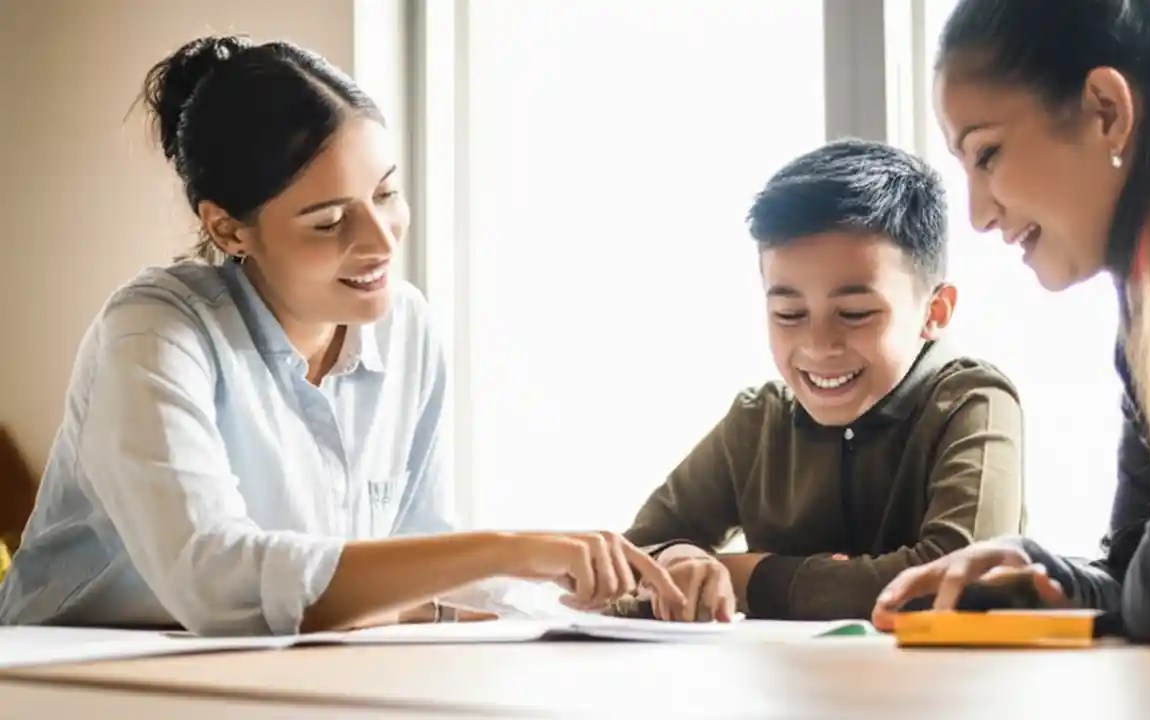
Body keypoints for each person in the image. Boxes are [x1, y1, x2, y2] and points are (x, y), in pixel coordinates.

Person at [0, 35, 683, 636]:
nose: (380, 242)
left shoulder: (407, 329)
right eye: (330, 221)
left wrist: (628, 584)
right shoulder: (154, 332)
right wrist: (508, 549)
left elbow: (421, 558)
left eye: (386, 195)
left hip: (279, 675)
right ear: (228, 229)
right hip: (65, 685)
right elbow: (217, 582)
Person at [872, 0, 1150, 643]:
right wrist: (1040, 569)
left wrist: (1134, 586)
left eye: (987, 154)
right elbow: (1138, 574)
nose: (979, 214)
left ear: (1106, 111)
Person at [623, 139, 1026, 622]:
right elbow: (632, 560)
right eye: (789, 313)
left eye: (854, 314)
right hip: (785, 694)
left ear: (934, 311)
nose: (818, 346)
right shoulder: (758, 418)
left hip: (935, 694)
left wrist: (746, 576)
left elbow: (956, 581)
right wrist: (679, 560)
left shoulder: (972, 401)